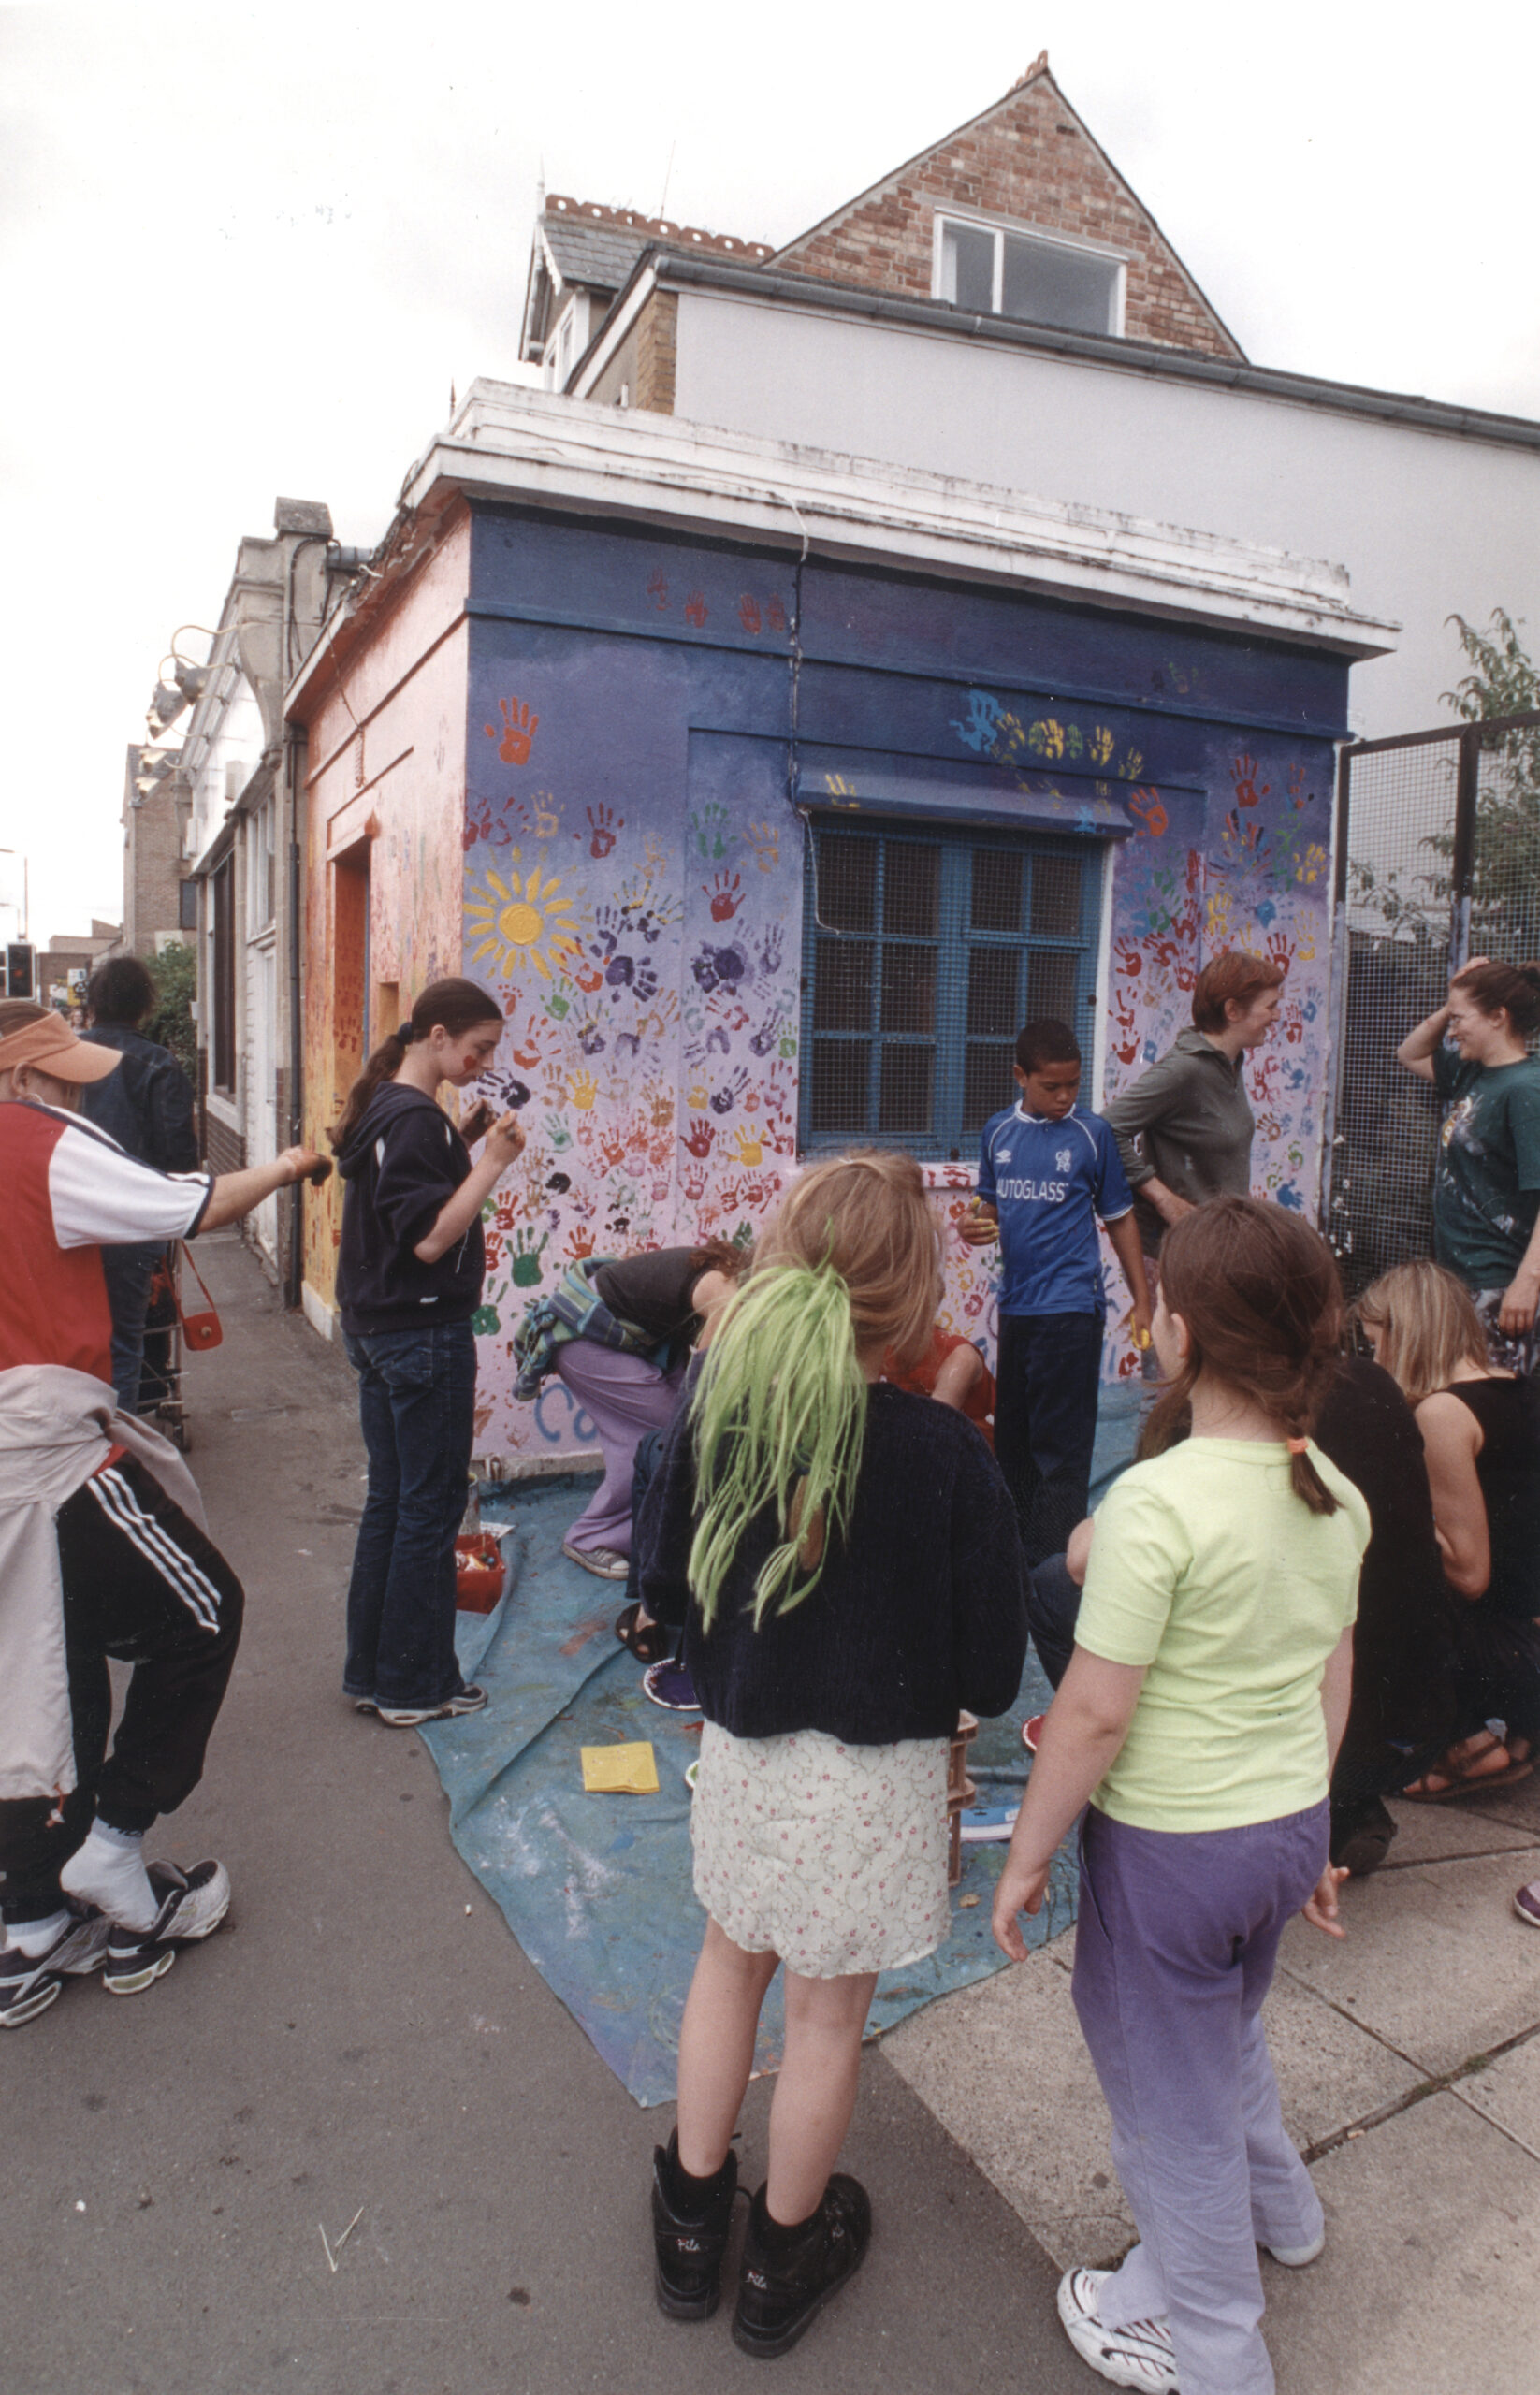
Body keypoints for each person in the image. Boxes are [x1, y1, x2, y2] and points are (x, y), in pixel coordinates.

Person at [634, 1151, 1027, 2357]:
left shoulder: (715, 1414)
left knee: (725, 1965)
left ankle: (691, 2223)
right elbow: (990, 1674)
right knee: (821, 2023)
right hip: (874, 1788)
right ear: (912, 1298)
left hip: (746, 1759)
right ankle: (783, 2257)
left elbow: (660, 1595)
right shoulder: (949, 1453)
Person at [993, 1197, 1368, 2395]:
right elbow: (1331, 1671)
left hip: (1171, 1855)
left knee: (1168, 2106)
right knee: (1224, 2039)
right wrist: (1308, 1823)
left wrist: (1025, 1854)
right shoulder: (1330, 1493)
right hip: (1279, 1831)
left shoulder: (1159, 1503)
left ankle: (1212, 2346)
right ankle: (1285, 2212)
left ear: (1180, 1329)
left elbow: (1093, 1715)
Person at [0, 1001, 326, 2028]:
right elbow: (183, 1204)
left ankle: (27, 1918)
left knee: (44, 1672)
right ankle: (110, 1849)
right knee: (204, 1611)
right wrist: (281, 1168)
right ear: (24, 1077)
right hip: (42, 1449)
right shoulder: (36, 1143)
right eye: (58, 1076)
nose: (72, 1089)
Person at [331, 980, 527, 1729]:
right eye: (476, 1050)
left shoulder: (387, 1105)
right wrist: (492, 1163)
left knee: (393, 1499)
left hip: (377, 1331)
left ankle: (373, 1672)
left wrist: (466, 1141)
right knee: (429, 1507)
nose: (480, 1064)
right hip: (421, 1337)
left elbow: (400, 1203)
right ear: (437, 1035)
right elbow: (429, 1238)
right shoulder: (414, 1119)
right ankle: (416, 1685)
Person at [958, 1018, 1150, 1564]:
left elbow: (1120, 1218)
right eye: (1051, 1087)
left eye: (1073, 1085)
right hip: (1017, 1308)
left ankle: (1055, 1568)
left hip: (1071, 1310)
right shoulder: (998, 1132)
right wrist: (974, 1223)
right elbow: (986, 1206)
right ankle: (1015, 1556)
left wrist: (1143, 1298)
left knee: (1061, 1449)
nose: (1065, 1097)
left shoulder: (1093, 1135)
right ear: (1021, 1076)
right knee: (1014, 1437)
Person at [1354, 1261, 1540, 1798]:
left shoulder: (1443, 1413)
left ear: (1407, 1334)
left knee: (1382, 1575)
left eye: (1375, 1344)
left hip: (1506, 1648)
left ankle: (1468, 1746)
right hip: (1525, 1638)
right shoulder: (1520, 1389)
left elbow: (1469, 1574)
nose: (1376, 1359)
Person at [534, 1241, 748, 1584]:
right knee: (665, 1436)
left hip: (643, 1340)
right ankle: (591, 1538)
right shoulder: (731, 1297)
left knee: (674, 1435)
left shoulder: (738, 1281)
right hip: (585, 1339)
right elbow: (705, 1379)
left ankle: (656, 1529)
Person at [1395, 955, 1540, 1372]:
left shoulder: (1526, 1089)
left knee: (1489, 1404)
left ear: (1498, 1017)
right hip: (1461, 1275)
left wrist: (1526, 1285)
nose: (1452, 1031)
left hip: (1499, 1281)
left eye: (1461, 1020)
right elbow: (1409, 1053)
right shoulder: (1472, 1072)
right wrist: (1453, 1003)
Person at [1104, 950, 1285, 1270]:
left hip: (1216, 1247)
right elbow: (1105, 1129)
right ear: (1232, 1010)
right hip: (1176, 1255)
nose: (1277, 1015)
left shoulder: (1229, 1062)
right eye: (1270, 1006)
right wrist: (1163, 1198)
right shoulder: (1185, 1070)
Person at [76, 952, 200, 1415]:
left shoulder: (66, 1058)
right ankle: (122, 1455)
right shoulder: (158, 1065)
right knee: (125, 1342)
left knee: (76, 1341)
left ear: (95, 1003)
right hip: (132, 1225)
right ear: (143, 1004)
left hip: (66, 1218)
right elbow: (179, 1158)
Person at [880, 1324, 995, 1445]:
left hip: (974, 1450)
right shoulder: (883, 1344)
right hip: (920, 1441)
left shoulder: (960, 1359)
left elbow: (929, 1438)